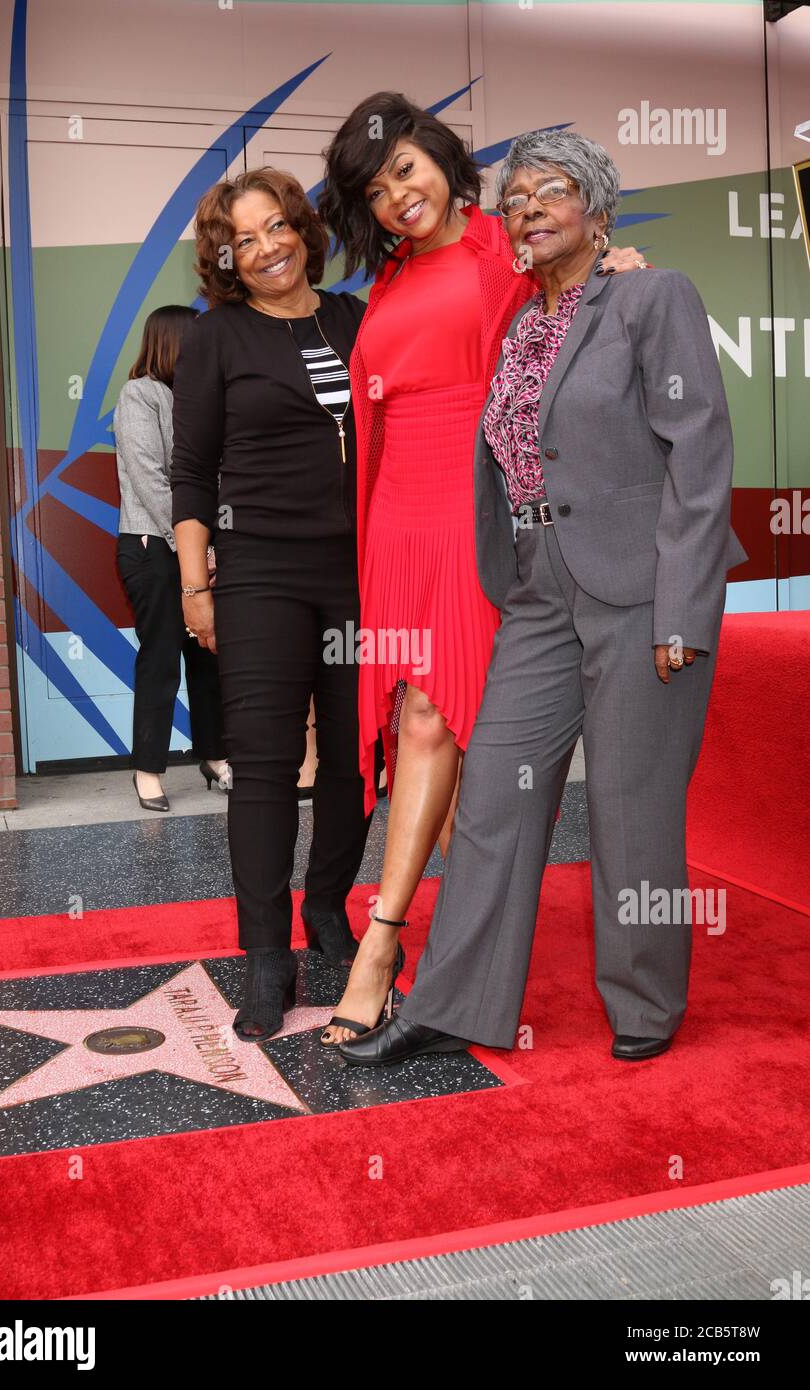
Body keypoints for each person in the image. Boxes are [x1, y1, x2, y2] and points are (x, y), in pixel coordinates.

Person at [338, 129, 748, 1069]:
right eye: (516, 196)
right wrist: (507, 569)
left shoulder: (652, 295)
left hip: (643, 586)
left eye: (551, 190)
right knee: (491, 792)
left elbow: (700, 454)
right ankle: (453, 1004)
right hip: (536, 585)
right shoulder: (522, 319)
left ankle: (645, 1001)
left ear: (597, 209)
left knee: (631, 804)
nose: (527, 207)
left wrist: (685, 606)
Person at [316, 94, 648, 1045]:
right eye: (376, 192)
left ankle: (385, 941)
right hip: (393, 521)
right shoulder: (383, 284)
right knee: (432, 737)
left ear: (444, 160)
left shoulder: (504, 252)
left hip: (477, 513)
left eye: (407, 172)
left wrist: (615, 273)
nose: (396, 198)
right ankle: (461, 961)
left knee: (438, 718)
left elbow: (576, 300)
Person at [170, 168, 374, 1041]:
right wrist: (195, 586)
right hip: (257, 574)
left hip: (364, 572)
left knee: (354, 760)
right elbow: (190, 470)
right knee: (262, 766)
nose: (264, 249)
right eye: (240, 241)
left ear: (302, 227)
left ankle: (327, 906)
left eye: (274, 227)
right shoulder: (217, 337)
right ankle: (265, 956)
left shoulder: (354, 319)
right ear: (225, 261)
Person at [114, 306, 229, 812]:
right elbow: (150, 479)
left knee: (207, 653)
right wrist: (196, 547)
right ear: (173, 343)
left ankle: (214, 756)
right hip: (153, 544)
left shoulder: (201, 400)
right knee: (161, 658)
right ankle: (148, 771)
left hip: (199, 546)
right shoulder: (139, 395)